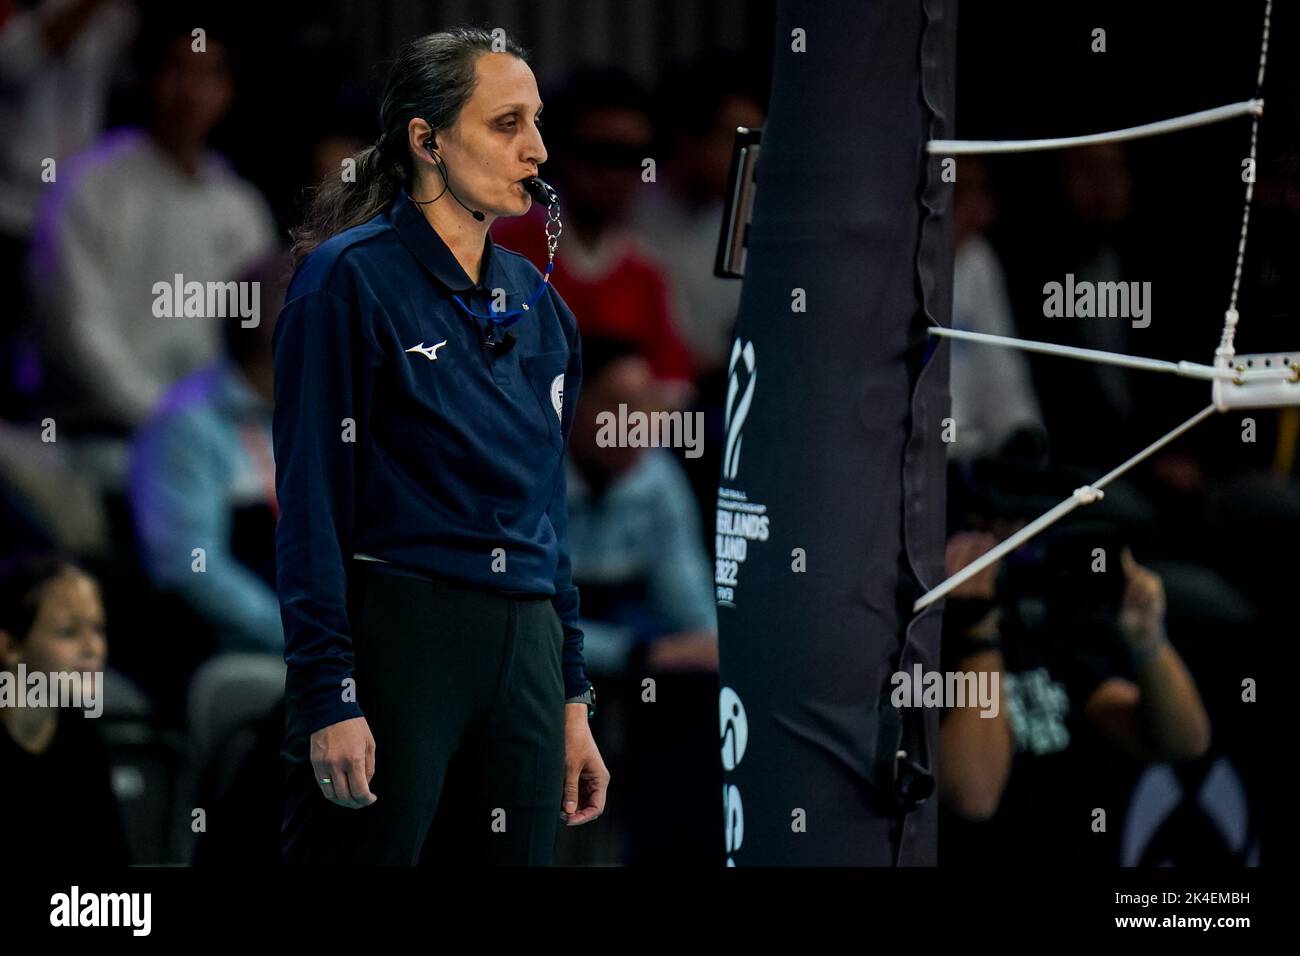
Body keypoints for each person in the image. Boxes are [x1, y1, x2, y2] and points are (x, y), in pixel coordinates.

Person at [274, 27, 608, 866]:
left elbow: (548, 516)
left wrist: (571, 695)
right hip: (400, 639)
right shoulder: (348, 281)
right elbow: (310, 504)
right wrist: (328, 694)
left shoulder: (540, 303)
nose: (535, 147)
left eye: (536, 121)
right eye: (505, 123)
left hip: (525, 650)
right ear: (427, 141)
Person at [0, 554, 130, 864]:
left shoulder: (84, 742)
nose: (92, 648)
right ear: (9, 647)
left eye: (98, 629)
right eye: (68, 632)